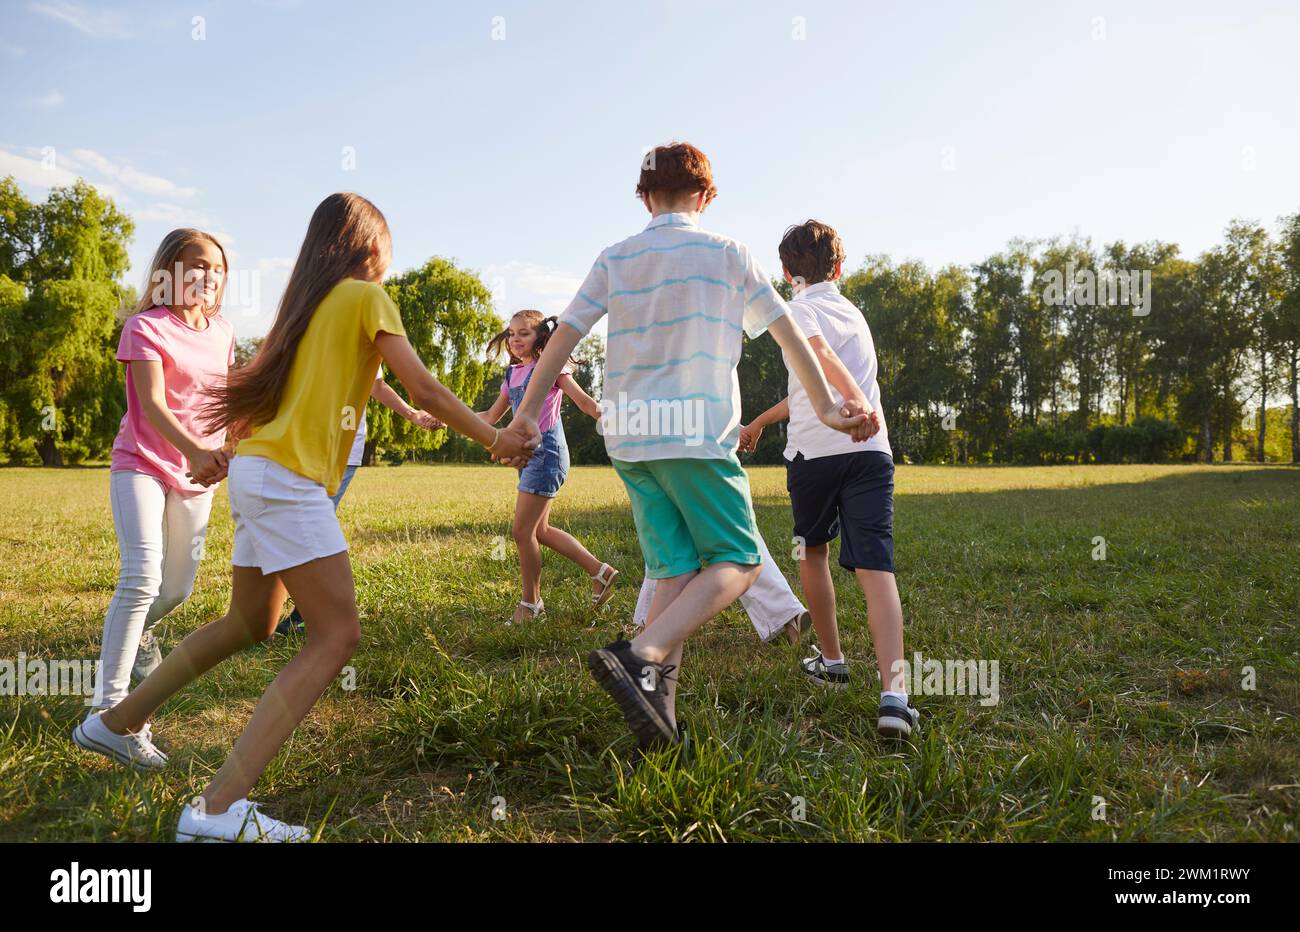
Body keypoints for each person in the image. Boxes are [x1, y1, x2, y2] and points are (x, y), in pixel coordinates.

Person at [73, 193, 535, 841]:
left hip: (260, 473)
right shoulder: (368, 296)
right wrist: (498, 440)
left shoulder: (304, 308)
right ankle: (214, 810)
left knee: (248, 621)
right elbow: (423, 388)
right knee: (336, 634)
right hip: (287, 482)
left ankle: (114, 721)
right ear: (372, 247)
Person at [500, 143, 875, 750]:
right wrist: (830, 409)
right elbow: (788, 337)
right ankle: (640, 653)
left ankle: (658, 720)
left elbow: (563, 336)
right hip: (696, 436)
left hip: (630, 440)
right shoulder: (728, 254)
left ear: (644, 197)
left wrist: (523, 418)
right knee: (741, 559)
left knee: (671, 572)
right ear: (707, 196)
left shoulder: (615, 256)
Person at [743, 219, 917, 738]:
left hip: (815, 457)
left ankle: (834, 661)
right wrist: (758, 422)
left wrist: (853, 402)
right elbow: (806, 389)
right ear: (839, 268)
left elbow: (819, 357)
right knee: (876, 565)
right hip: (870, 455)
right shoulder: (855, 314)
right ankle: (895, 695)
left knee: (811, 552)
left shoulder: (798, 309)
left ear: (785, 271)